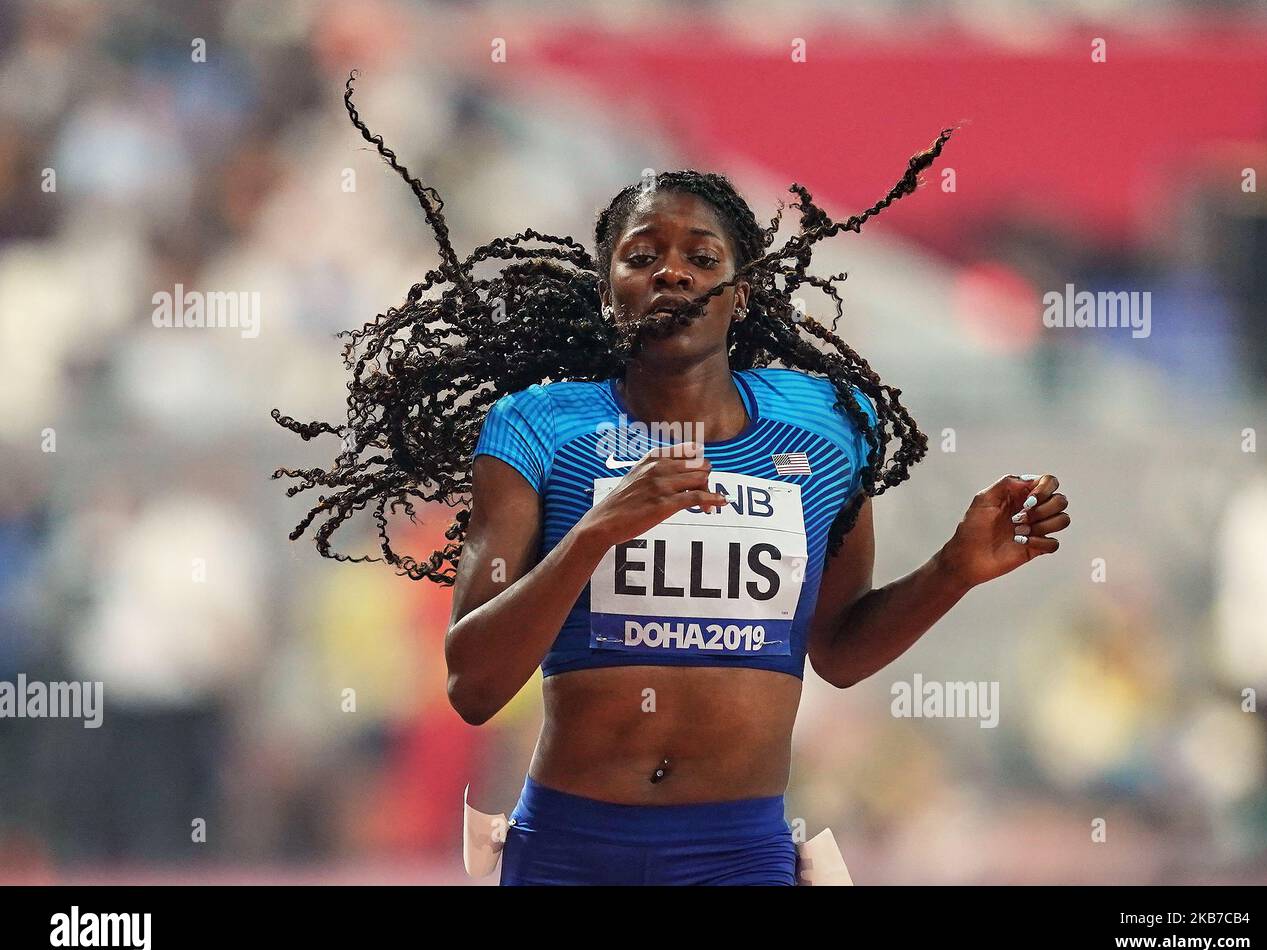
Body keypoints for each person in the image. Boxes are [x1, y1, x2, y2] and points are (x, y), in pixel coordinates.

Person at [272, 72, 1072, 884]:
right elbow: (471, 684)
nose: (673, 273)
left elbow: (837, 650)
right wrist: (595, 533)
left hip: (739, 852)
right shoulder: (540, 428)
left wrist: (954, 571)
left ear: (742, 287)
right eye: (642, 256)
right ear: (608, 287)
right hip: (569, 849)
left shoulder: (827, 428)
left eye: (702, 257)